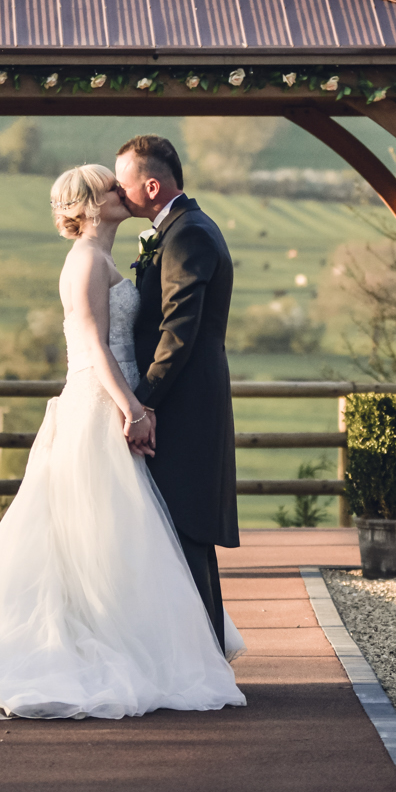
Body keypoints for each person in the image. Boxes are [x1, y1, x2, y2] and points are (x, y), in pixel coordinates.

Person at [0, 163, 244, 721]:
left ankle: (133, 641)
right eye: (108, 187)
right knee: (93, 534)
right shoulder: (83, 262)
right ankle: (81, 649)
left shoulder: (105, 257)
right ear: (87, 206)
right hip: (98, 402)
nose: (118, 190)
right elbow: (91, 347)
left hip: (118, 400)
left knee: (119, 537)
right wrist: (132, 406)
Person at [112, 135, 238, 645]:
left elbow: (178, 333)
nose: (118, 194)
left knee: (184, 525)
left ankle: (200, 655)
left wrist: (143, 402)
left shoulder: (188, 236)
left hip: (184, 405)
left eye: (123, 184)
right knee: (174, 528)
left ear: (151, 184)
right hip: (182, 401)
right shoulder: (180, 230)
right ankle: (192, 652)